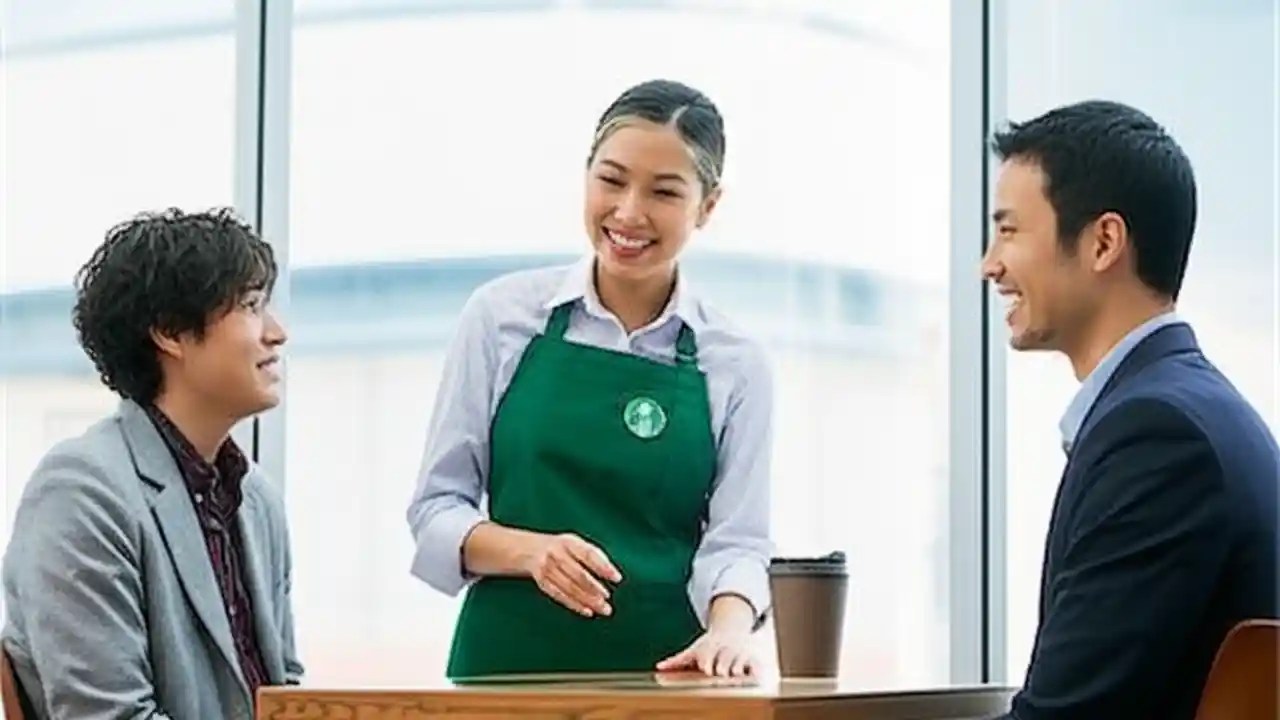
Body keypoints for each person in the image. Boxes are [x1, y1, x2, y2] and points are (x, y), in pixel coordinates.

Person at [406, 79, 774, 679]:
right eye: (611, 180)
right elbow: (437, 508)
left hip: (668, 676)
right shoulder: (502, 317)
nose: (629, 211)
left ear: (707, 206)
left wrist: (729, 632)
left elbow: (739, 543)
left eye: (664, 192)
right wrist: (532, 552)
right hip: (504, 672)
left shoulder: (734, 360)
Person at [982, 100, 1280, 719]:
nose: (991, 264)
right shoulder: (1201, 411)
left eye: (1008, 230)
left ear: (1104, 242)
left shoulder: (1160, 438)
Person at [1, 208, 303, 719]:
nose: (277, 332)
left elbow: (287, 695)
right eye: (251, 306)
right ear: (169, 332)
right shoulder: (81, 493)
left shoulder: (257, 500)